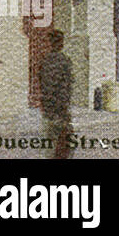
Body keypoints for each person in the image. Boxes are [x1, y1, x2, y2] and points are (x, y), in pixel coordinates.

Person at [38, 30, 73, 159]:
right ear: (61, 44)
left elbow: (42, 83)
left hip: (48, 104)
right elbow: (66, 87)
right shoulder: (65, 61)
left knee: (50, 140)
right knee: (64, 141)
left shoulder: (45, 61)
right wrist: (64, 106)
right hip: (60, 106)